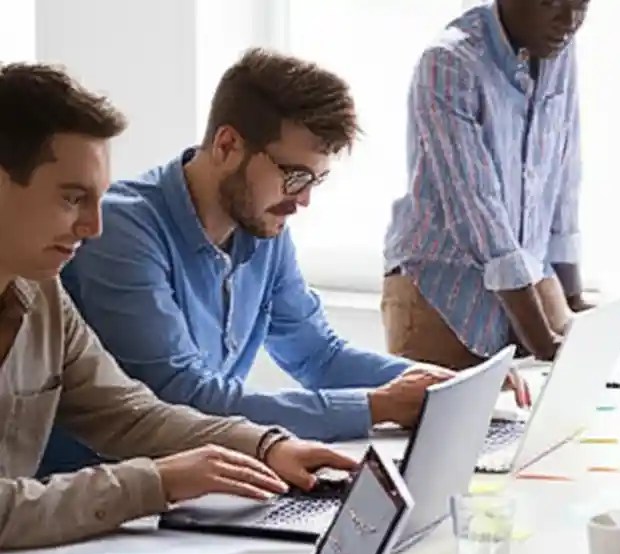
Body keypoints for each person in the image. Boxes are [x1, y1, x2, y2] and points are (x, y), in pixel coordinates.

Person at [42, 49, 527, 476]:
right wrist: (376, 405)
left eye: (316, 181)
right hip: (95, 505)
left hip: (193, 487)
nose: (303, 201)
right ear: (228, 145)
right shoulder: (121, 230)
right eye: (294, 177)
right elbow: (181, 394)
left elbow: (319, 356)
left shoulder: (263, 227)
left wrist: (451, 389)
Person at [0, 62, 353, 551]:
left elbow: (131, 412)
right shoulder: (122, 236)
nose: (93, 228)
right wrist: (156, 482)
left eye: (97, 199)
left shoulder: (42, 295)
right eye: (72, 198)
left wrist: (265, 445)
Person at [382, 0, 593, 369]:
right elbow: (476, 209)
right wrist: (542, 340)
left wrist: (574, 296)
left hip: (529, 275)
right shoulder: (449, 64)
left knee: (557, 416)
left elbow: (563, 168)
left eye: (582, 4)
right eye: (552, 4)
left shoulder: (557, 45)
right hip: (445, 292)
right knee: (450, 424)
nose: (570, 21)